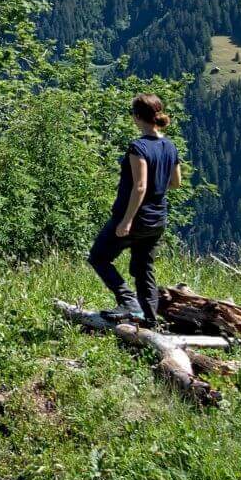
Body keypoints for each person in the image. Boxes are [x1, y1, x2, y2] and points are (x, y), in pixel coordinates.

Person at [88, 93, 182, 326]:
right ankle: (150, 320)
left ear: (137, 116)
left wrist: (127, 220)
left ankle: (128, 301)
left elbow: (140, 186)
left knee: (98, 257)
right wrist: (157, 186)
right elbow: (176, 182)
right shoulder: (170, 146)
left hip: (135, 218)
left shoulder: (138, 147)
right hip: (157, 219)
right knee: (143, 268)